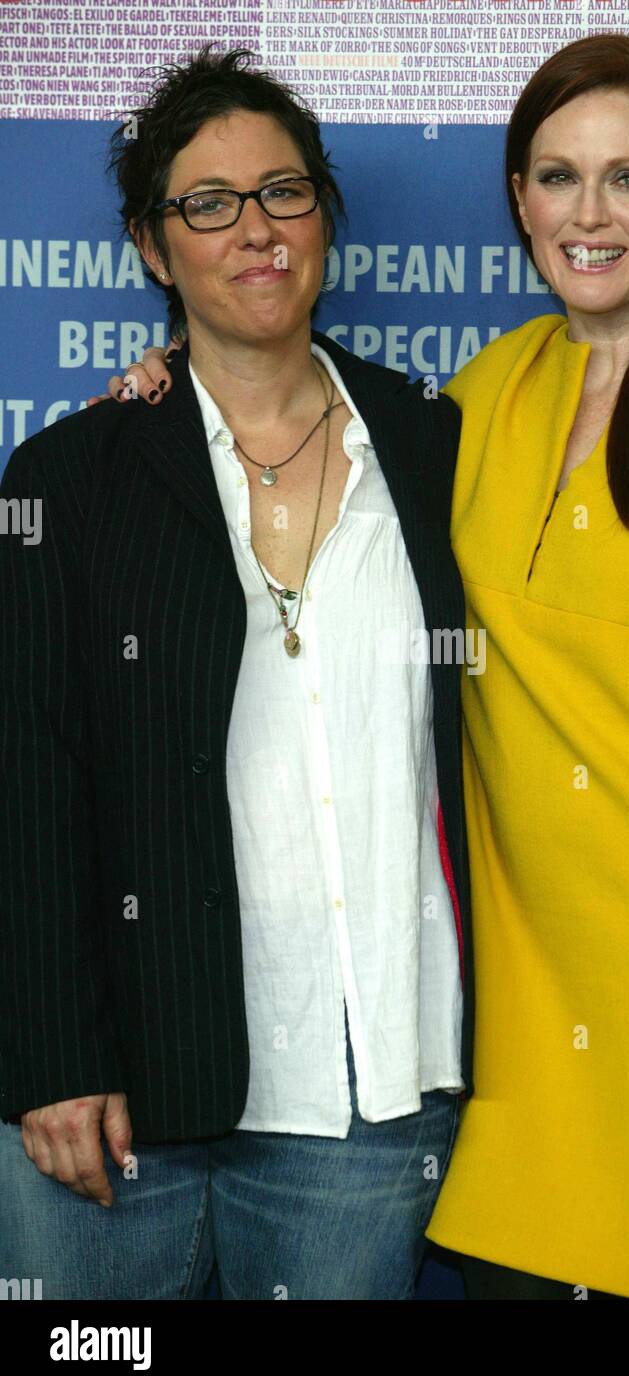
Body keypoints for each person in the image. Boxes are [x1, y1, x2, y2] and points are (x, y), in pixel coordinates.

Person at [94, 34, 629, 1302]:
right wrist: (174, 386)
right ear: (519, 201)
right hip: (516, 1039)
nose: (591, 214)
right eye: (558, 178)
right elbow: (292, 421)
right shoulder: (487, 394)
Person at [0, 45, 475, 1300]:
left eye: (284, 191)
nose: (255, 230)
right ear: (155, 250)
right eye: (208, 203)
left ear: (326, 215)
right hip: (120, 1102)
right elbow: (25, 787)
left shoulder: (436, 443)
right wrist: (49, 1056)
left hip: (363, 1089)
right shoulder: (69, 479)